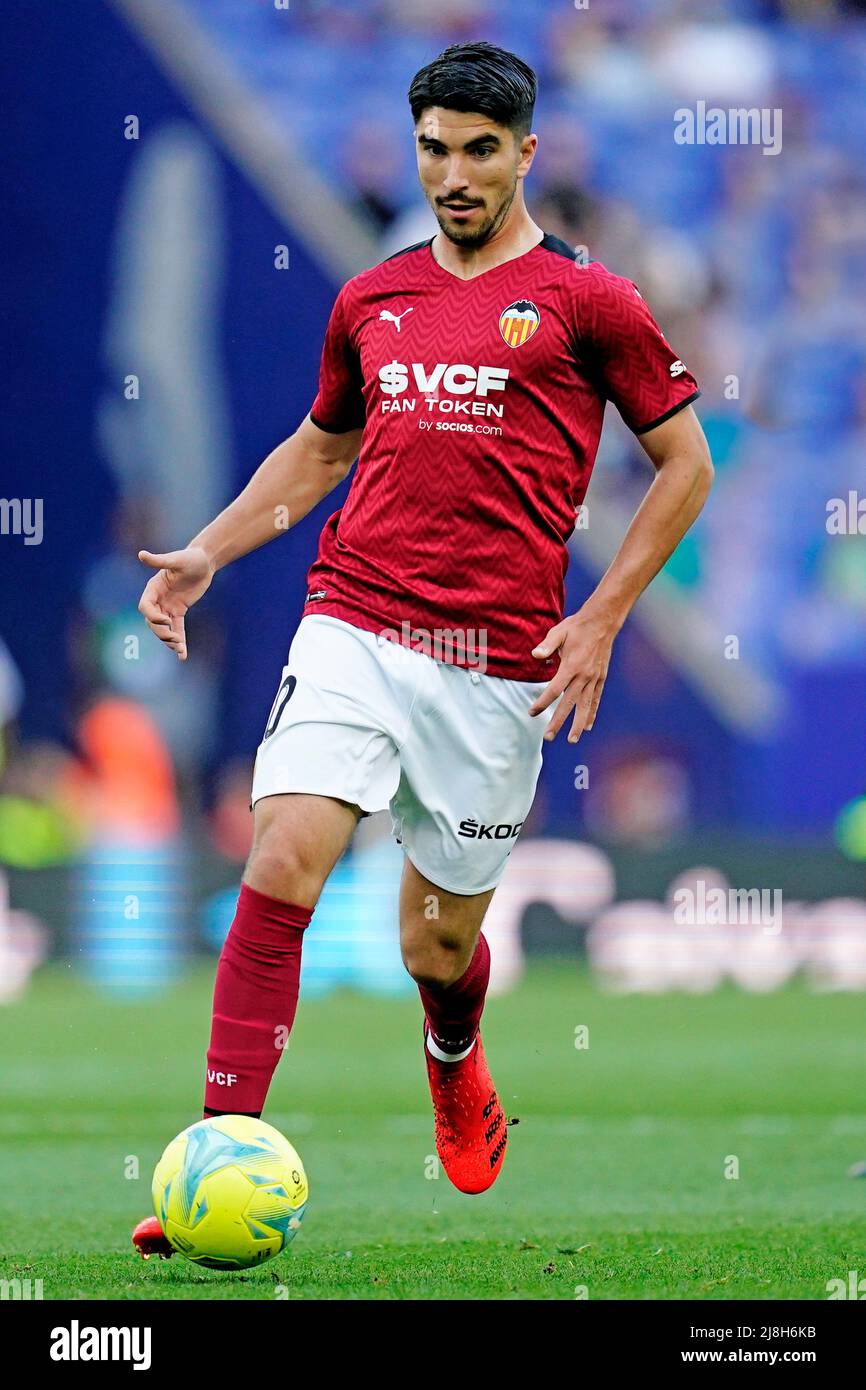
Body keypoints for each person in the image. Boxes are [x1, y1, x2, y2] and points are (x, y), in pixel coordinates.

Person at [133, 40, 711, 1256]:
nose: (453, 173)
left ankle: (454, 1055)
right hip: (354, 616)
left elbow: (684, 466)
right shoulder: (371, 296)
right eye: (434, 149)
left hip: (496, 664)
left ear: (525, 156)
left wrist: (599, 615)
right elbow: (319, 449)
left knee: (432, 943)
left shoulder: (588, 301)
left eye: (479, 151)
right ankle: (206, 1161)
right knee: (283, 854)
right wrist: (207, 550)